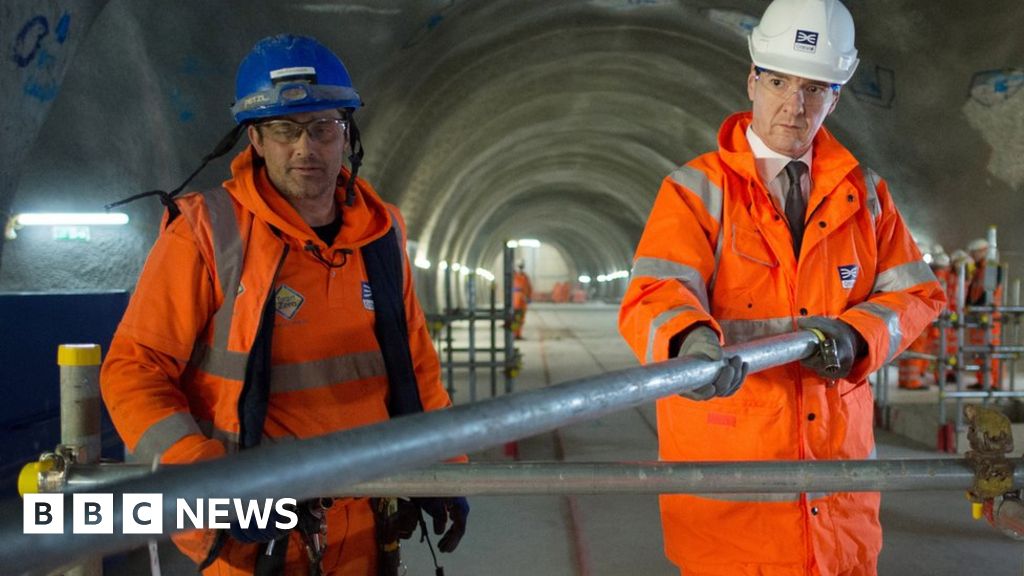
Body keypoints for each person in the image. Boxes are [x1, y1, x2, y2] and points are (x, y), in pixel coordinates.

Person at [100, 35, 468, 575]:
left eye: (323, 128)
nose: (306, 148)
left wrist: (446, 471)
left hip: (371, 515)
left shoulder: (380, 235)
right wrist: (213, 484)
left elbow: (416, 369)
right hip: (257, 534)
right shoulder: (207, 233)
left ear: (347, 134)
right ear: (255, 139)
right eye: (284, 130)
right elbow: (133, 370)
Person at [618, 1, 945, 574]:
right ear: (752, 79)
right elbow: (654, 294)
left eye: (815, 89)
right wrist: (687, 343)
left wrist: (857, 336)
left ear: (836, 97)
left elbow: (918, 295)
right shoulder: (697, 190)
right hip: (734, 513)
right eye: (777, 81)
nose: (794, 106)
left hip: (838, 508)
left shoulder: (867, 195)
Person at [511, 261, 533, 339]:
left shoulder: (525, 277)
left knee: (521, 319)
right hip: (515, 301)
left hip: (523, 301)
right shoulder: (513, 276)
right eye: (519, 267)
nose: (520, 269)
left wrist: (529, 297)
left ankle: (518, 334)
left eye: (521, 267)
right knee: (515, 318)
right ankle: (513, 334)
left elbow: (529, 288)